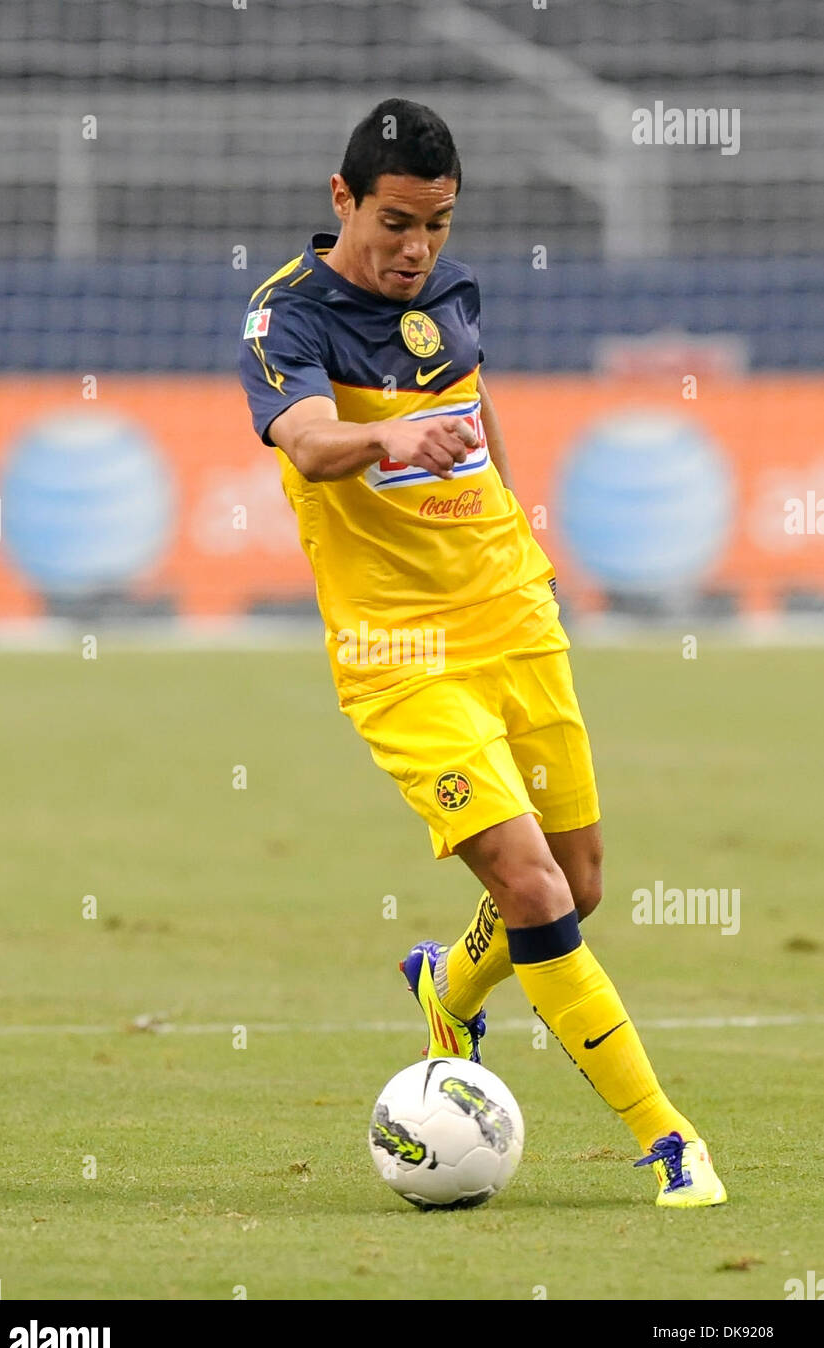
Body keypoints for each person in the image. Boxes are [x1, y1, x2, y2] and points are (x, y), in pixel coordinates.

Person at [238, 97, 726, 1208]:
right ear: (341, 199)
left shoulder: (450, 293)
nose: (416, 250)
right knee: (528, 879)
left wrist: (519, 526)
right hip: (399, 652)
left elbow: (471, 394)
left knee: (582, 883)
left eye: (438, 225)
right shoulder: (285, 320)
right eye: (397, 223)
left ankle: (447, 982)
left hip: (511, 617)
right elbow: (310, 446)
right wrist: (385, 435)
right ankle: (667, 1139)